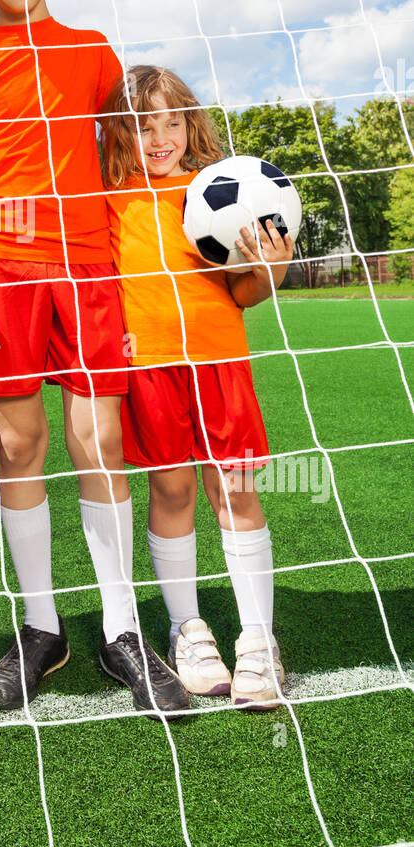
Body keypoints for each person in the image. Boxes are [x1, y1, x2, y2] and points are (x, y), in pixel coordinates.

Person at [0, 0, 188, 715]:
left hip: (89, 269)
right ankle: (42, 628)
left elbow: (128, 160)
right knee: (19, 442)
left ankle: (120, 630)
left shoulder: (93, 51)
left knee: (99, 439)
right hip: (0, 273)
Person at [101, 65, 295, 708]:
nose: (159, 137)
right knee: (173, 488)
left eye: (171, 122)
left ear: (191, 125)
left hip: (218, 363)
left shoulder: (224, 190)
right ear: (121, 133)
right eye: (141, 124)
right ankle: (190, 631)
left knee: (233, 489)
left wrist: (271, 269)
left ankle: (259, 641)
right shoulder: (112, 198)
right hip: (149, 368)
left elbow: (242, 292)